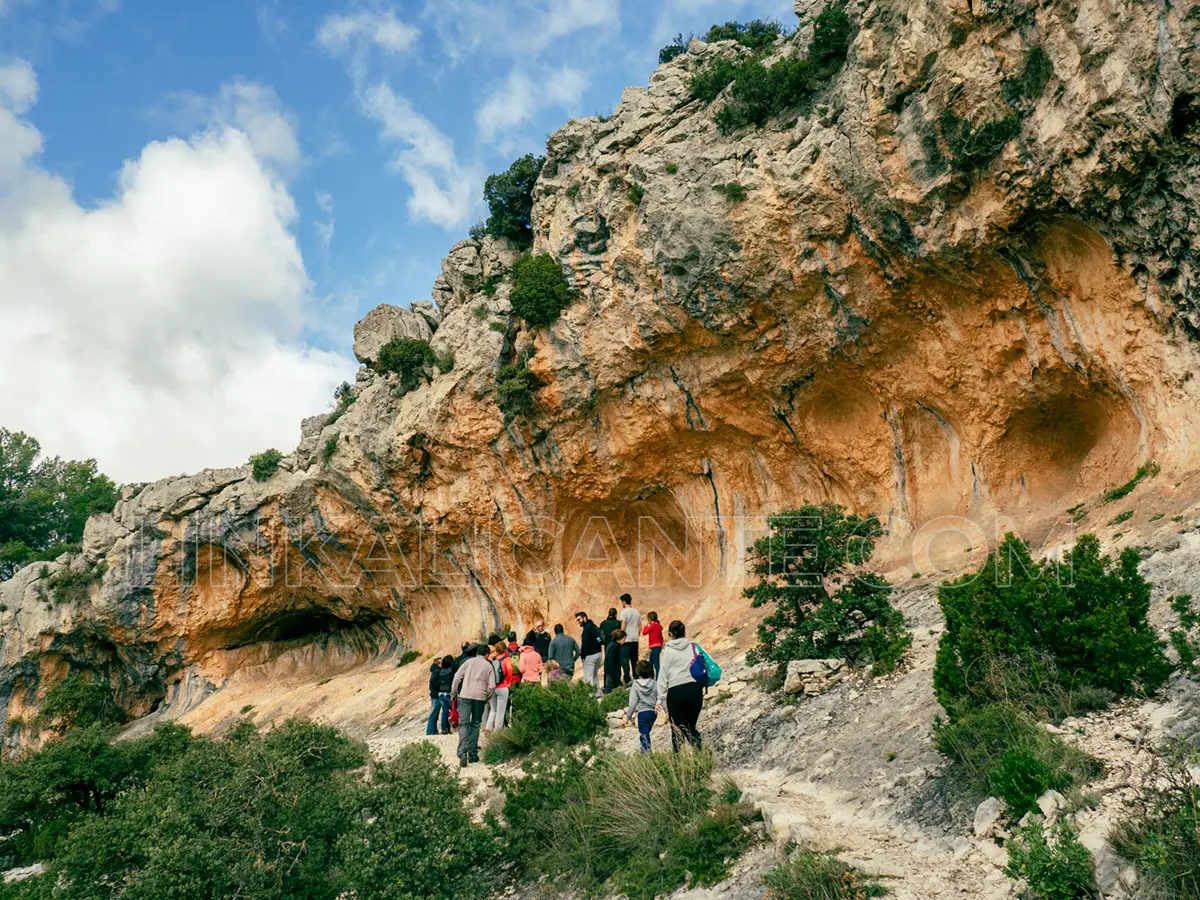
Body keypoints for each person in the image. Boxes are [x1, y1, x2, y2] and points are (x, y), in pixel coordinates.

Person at [656, 620, 704, 751]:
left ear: (670, 634)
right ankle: (701, 754)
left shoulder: (668, 651)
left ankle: (679, 763)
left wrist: (660, 698)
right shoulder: (694, 647)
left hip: (676, 692)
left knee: (677, 730)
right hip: (694, 690)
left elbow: (663, 675)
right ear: (684, 632)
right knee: (690, 727)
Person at [450, 644, 495, 767]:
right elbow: (492, 686)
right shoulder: (488, 665)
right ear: (487, 654)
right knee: (475, 724)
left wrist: (453, 693)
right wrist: (486, 698)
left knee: (463, 724)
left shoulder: (468, 662)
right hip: (480, 697)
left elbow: (457, 677)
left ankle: (462, 752)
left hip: (465, 696)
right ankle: (473, 754)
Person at [624, 659, 658, 752]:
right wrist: (667, 711)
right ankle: (645, 752)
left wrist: (627, 717)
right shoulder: (655, 683)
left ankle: (647, 756)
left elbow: (633, 703)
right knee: (646, 733)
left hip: (642, 713)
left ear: (638, 671)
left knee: (644, 735)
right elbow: (661, 698)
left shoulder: (635, 685)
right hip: (653, 714)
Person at [486, 641, 517, 730]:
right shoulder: (506, 659)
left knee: (493, 709)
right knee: (501, 711)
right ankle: (497, 731)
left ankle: (488, 728)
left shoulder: (492, 659)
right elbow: (510, 671)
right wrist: (509, 683)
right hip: (503, 687)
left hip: (492, 686)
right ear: (504, 649)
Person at [576, 611, 603, 694]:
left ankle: (590, 696)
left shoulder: (587, 628)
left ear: (585, 618)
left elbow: (585, 644)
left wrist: (583, 655)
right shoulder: (594, 626)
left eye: (579, 619)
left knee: (588, 677)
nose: (578, 621)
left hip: (590, 656)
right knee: (594, 675)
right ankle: (598, 693)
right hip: (598, 653)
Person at [618, 594, 642, 684]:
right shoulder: (637, 612)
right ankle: (636, 677)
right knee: (634, 659)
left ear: (624, 602)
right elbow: (640, 627)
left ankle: (627, 678)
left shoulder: (624, 612)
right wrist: (636, 635)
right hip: (635, 639)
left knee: (624, 659)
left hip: (626, 640)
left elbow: (623, 626)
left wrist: (620, 638)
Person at [426, 656, 452, 735]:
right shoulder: (437, 672)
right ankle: (430, 731)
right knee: (434, 714)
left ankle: (433, 731)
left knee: (436, 714)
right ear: (439, 664)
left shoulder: (437, 671)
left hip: (436, 695)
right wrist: (437, 691)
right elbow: (433, 684)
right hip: (436, 696)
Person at [603, 629, 626, 694]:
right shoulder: (615, 647)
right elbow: (612, 662)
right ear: (620, 638)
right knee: (611, 691)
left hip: (610, 672)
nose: (624, 641)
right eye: (624, 639)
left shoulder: (611, 644)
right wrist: (615, 676)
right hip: (612, 673)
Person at [643, 611, 664, 677]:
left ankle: (658, 679)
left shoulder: (653, 625)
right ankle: (652, 677)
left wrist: (645, 626)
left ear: (649, 619)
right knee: (651, 662)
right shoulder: (658, 626)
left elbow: (644, 632)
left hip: (654, 646)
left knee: (656, 664)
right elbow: (661, 637)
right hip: (657, 646)